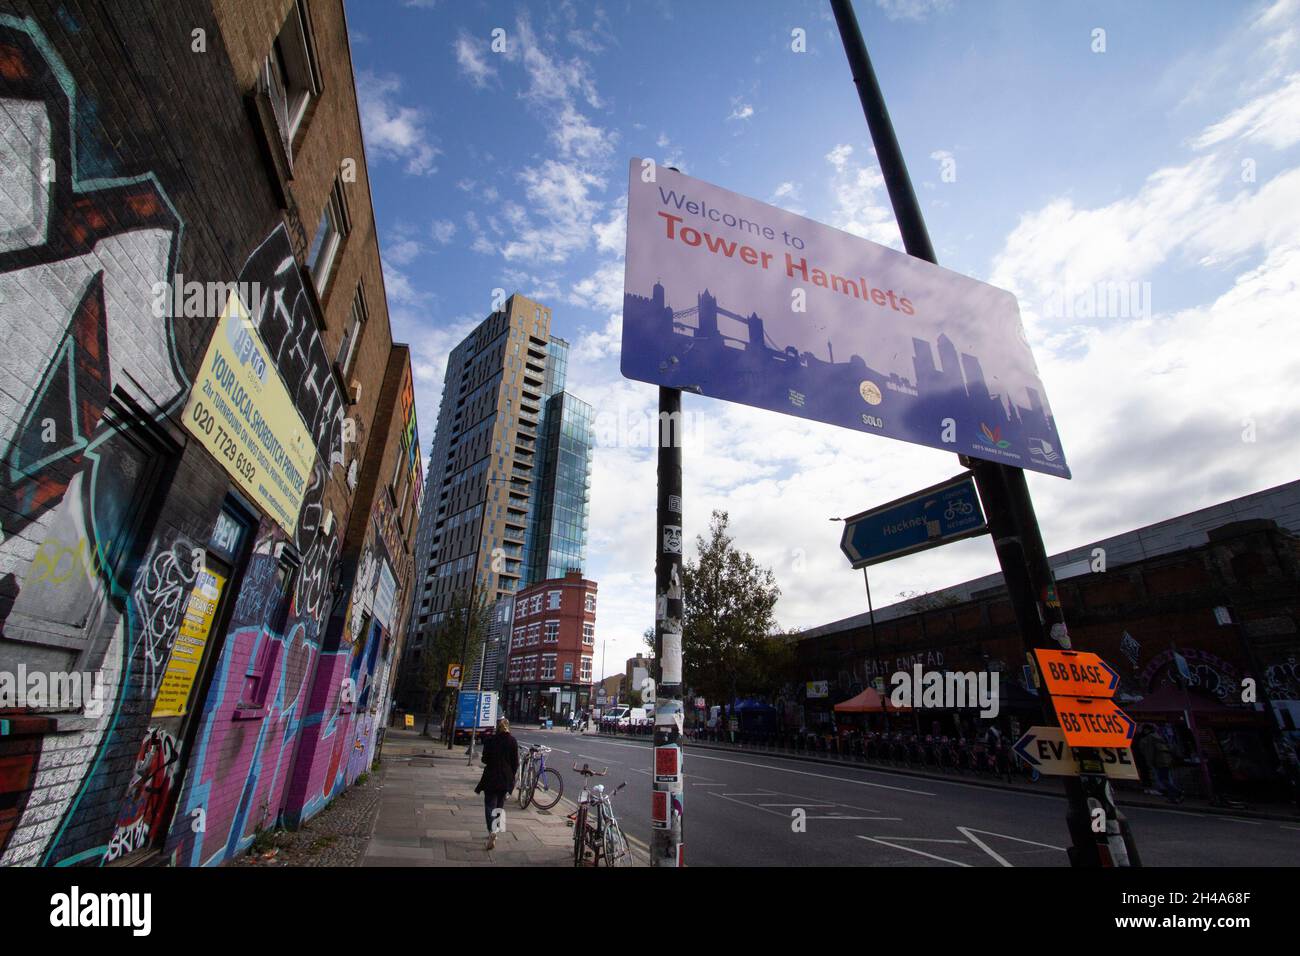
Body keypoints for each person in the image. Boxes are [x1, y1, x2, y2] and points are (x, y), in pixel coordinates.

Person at [474, 717, 519, 851]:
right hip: (505, 778)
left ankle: (491, 831)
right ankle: (497, 830)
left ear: (497, 728)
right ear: (508, 727)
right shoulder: (512, 741)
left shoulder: (490, 740)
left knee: (489, 805)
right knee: (499, 806)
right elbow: (515, 763)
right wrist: (511, 776)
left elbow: (484, 759)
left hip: (491, 777)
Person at [1136, 722, 1185, 803]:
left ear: (1146, 730)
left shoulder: (1149, 738)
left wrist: (1149, 763)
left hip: (1159, 762)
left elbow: (1150, 752)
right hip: (1166, 760)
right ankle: (1172, 798)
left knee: (1163, 780)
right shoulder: (1158, 736)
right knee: (1166, 779)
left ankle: (1178, 792)